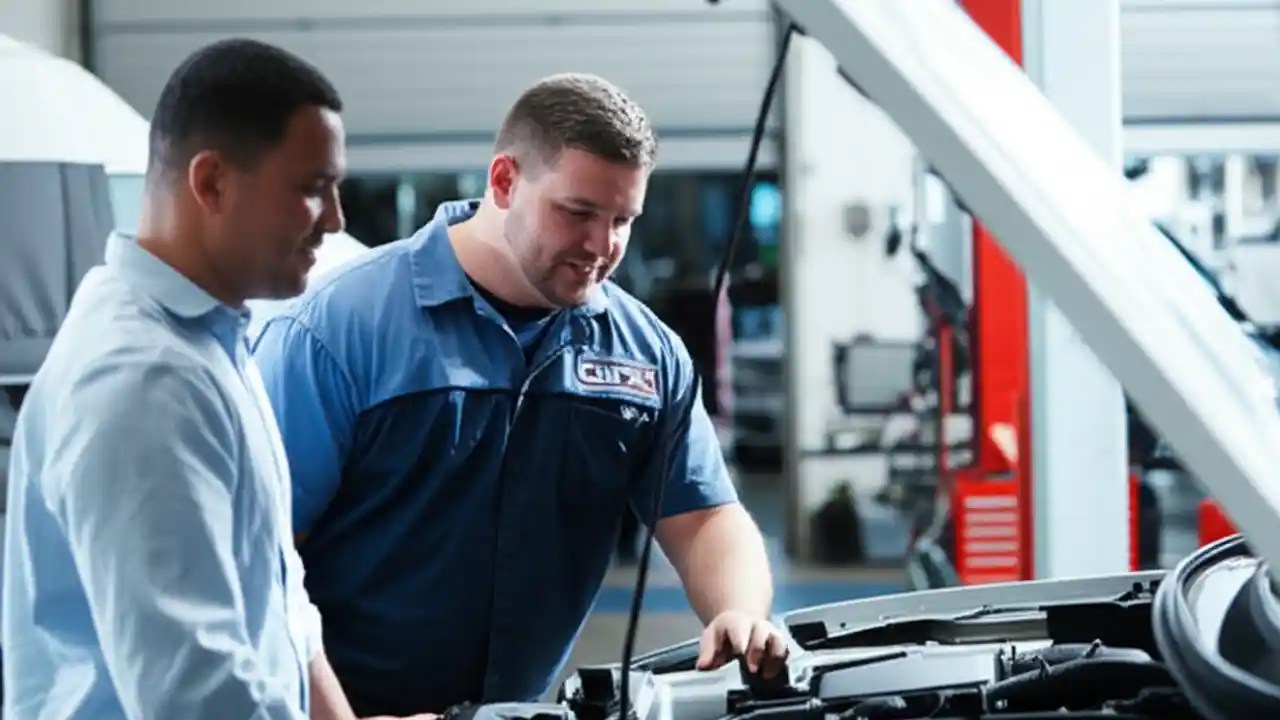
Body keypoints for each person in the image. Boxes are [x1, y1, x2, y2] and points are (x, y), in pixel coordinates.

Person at [251, 72, 788, 716]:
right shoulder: (338, 334)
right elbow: (256, 564)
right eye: (578, 212)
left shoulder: (644, 356)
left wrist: (738, 611)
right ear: (504, 181)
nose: (602, 247)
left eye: (622, 220)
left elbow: (703, 518)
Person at [1, 38, 420, 720]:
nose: (337, 220)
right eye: (312, 189)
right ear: (213, 183)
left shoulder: (209, 340)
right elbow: (196, 696)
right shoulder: (143, 380)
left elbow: (281, 606)